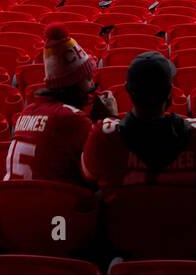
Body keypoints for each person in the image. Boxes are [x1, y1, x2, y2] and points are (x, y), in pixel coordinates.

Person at [82, 52, 196, 189]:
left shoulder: (103, 136)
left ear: (127, 90)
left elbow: (88, 176)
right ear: (171, 93)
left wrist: (111, 118)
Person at [7, 25, 116, 184]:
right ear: (76, 82)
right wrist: (109, 119)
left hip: (12, 204)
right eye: (87, 77)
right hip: (53, 206)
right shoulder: (73, 119)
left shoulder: (27, 111)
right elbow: (103, 168)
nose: (92, 82)